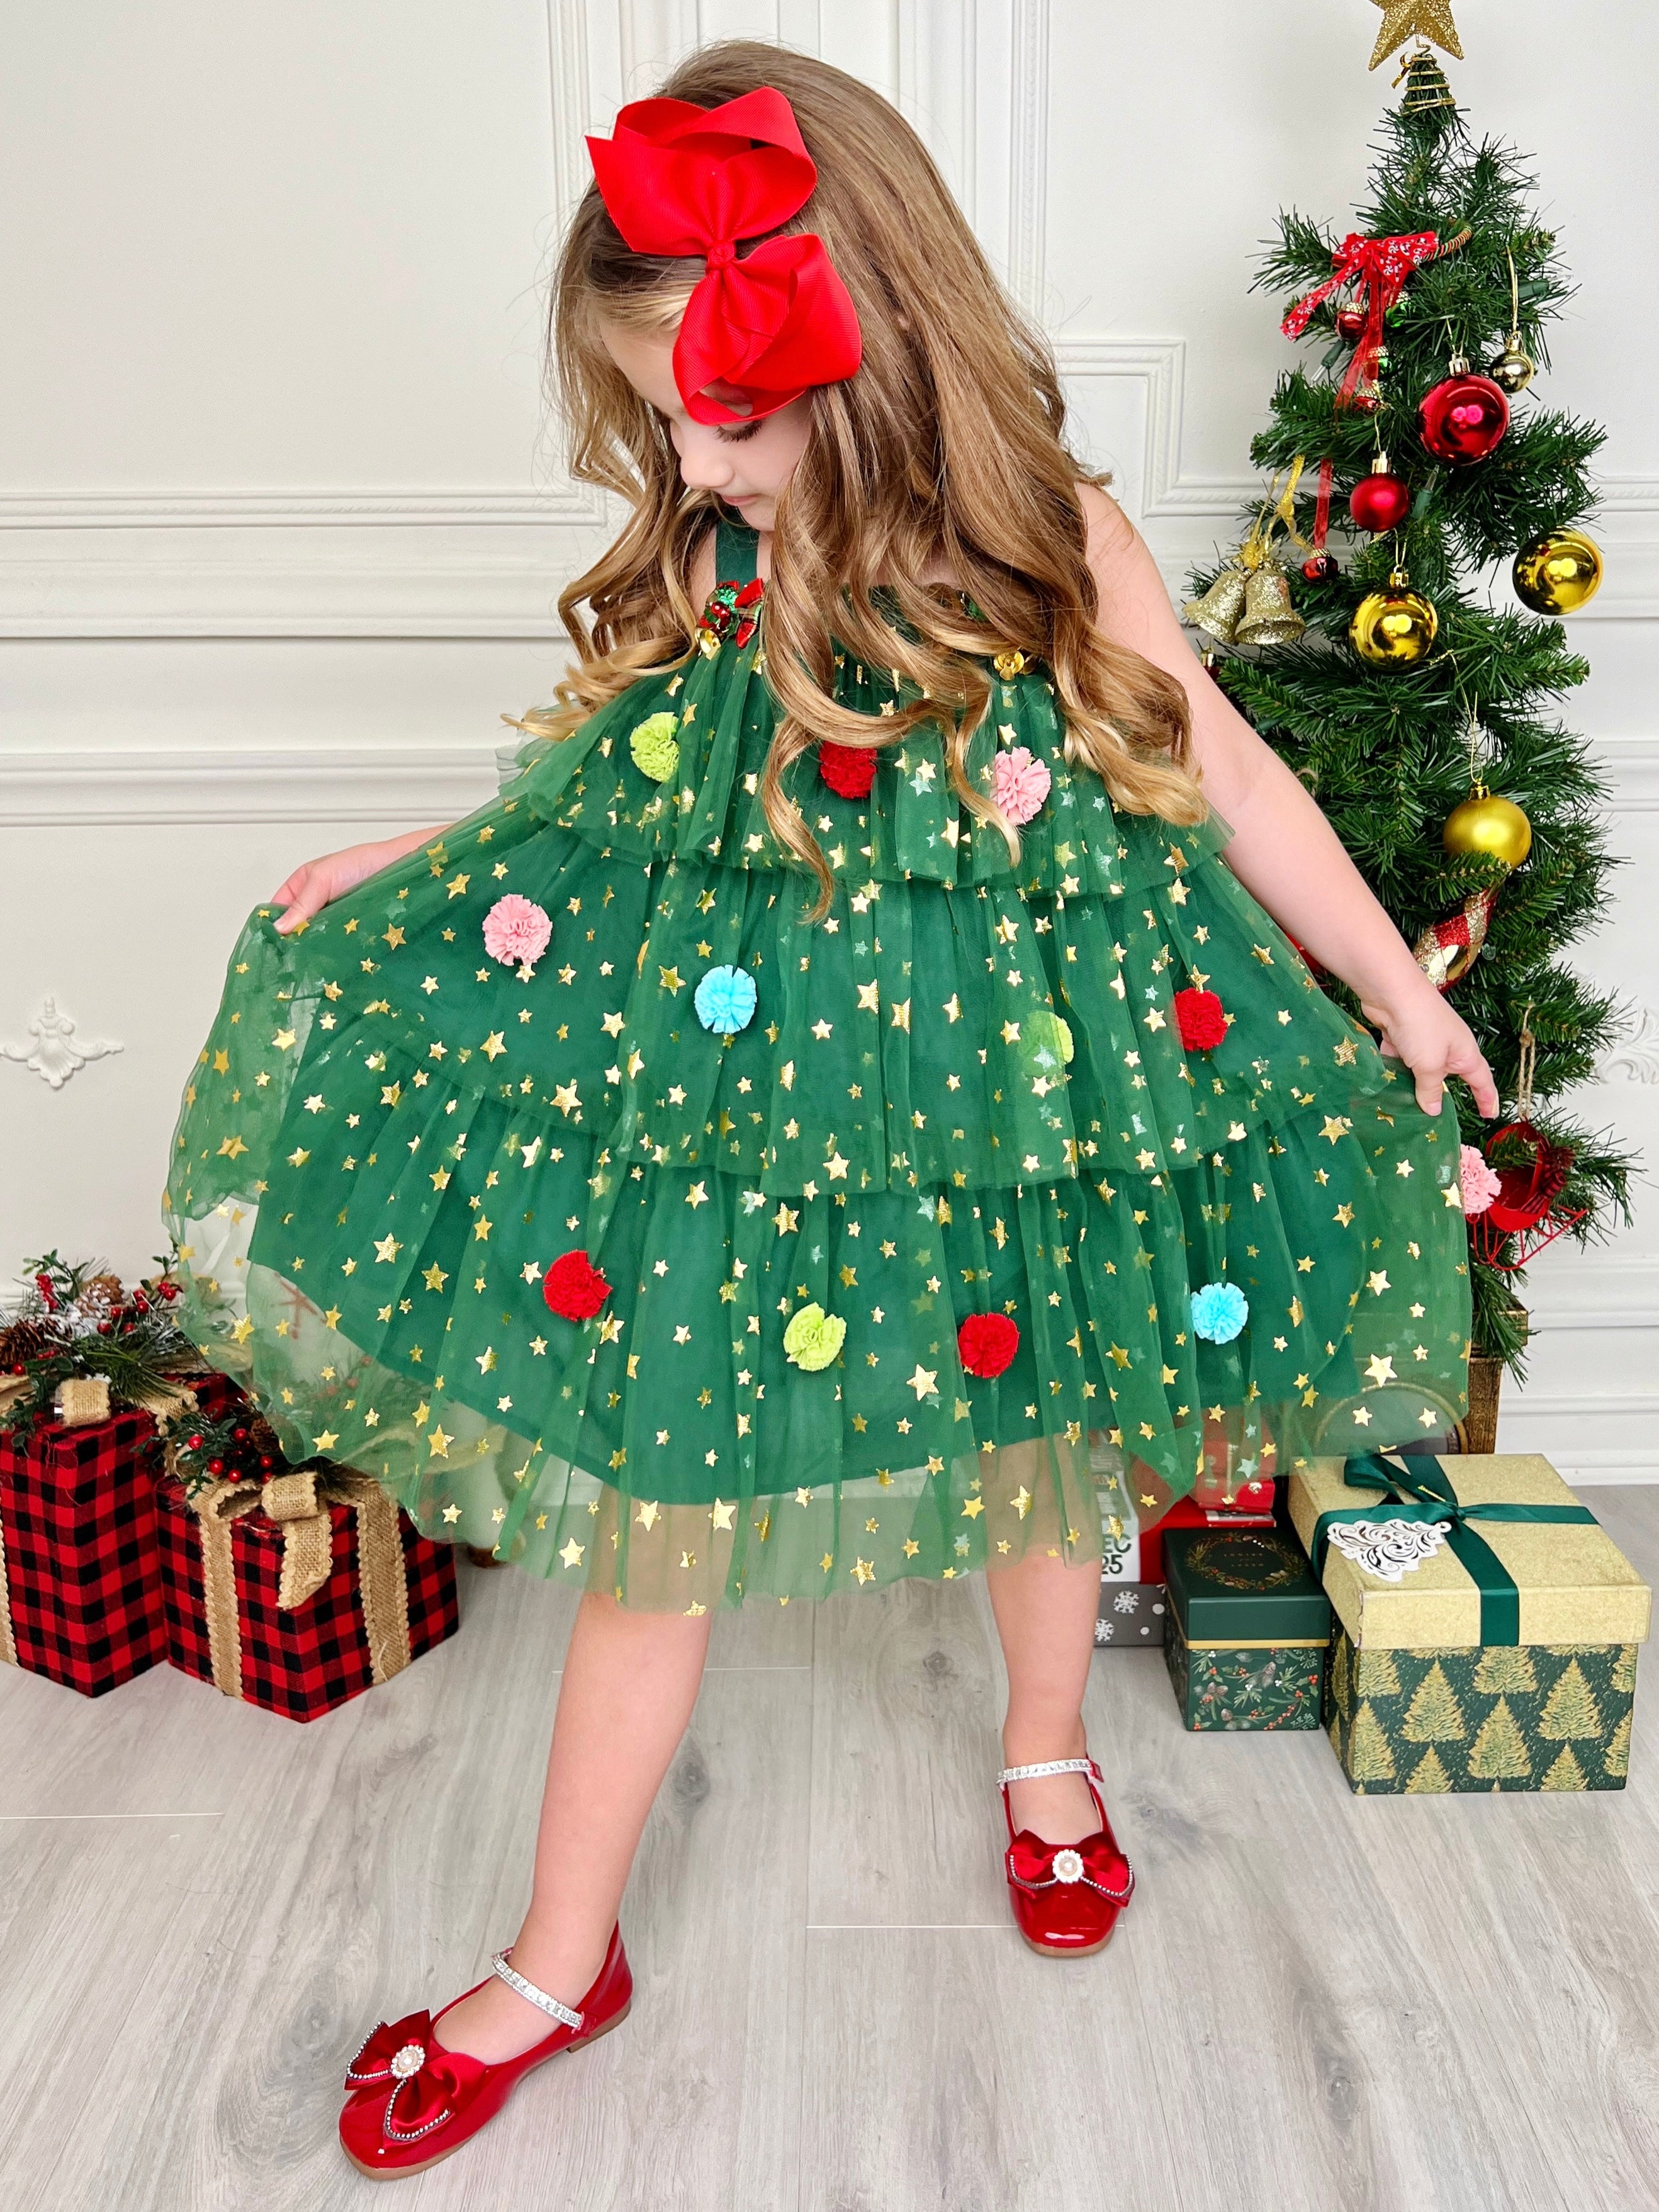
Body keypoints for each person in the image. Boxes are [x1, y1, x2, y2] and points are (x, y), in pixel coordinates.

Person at [164, 43, 1496, 2180]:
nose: (694, 461)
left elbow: (1221, 766)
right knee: (656, 1495)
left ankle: (1041, 1752)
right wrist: (410, 863)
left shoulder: (1048, 546)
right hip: (746, 1106)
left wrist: (1388, 987)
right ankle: (559, 1950)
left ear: (872, 355)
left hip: (1010, 1099)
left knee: (1043, 1423)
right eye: (664, 420)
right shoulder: (724, 554)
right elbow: (598, 801)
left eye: (726, 412)